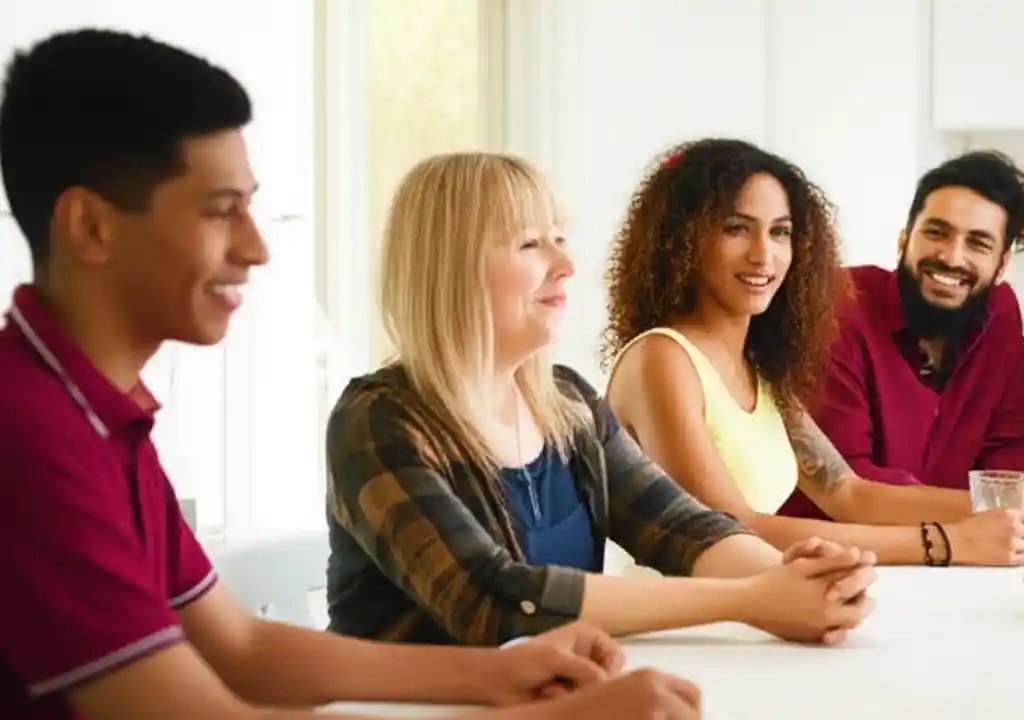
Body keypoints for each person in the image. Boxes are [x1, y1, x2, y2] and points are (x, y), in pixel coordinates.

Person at [0, 28, 702, 720]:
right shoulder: (28, 434)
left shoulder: (98, 417)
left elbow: (239, 645)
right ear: (91, 228)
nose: (256, 247)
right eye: (221, 212)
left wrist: (495, 674)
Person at [323, 151, 876, 651]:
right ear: (450, 266)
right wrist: (752, 600)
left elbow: (684, 529)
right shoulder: (379, 420)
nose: (565, 265)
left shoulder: (567, 403)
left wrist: (792, 580)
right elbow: (493, 602)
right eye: (530, 244)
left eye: (559, 239)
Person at [602, 138, 1024, 567]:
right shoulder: (663, 359)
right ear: (683, 240)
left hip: (760, 606)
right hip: (687, 629)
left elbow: (850, 494)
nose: (763, 255)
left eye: (781, 232)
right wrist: (944, 543)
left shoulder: (760, 369)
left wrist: (1012, 504)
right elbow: (730, 531)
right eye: (736, 228)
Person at [772, 149, 1024, 534]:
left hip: (953, 547)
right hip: (833, 552)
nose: (950, 256)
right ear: (903, 240)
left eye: (978, 243)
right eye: (936, 232)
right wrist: (1015, 502)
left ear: (1002, 265)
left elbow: (1000, 446)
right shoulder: (839, 305)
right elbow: (849, 486)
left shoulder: (1001, 313)